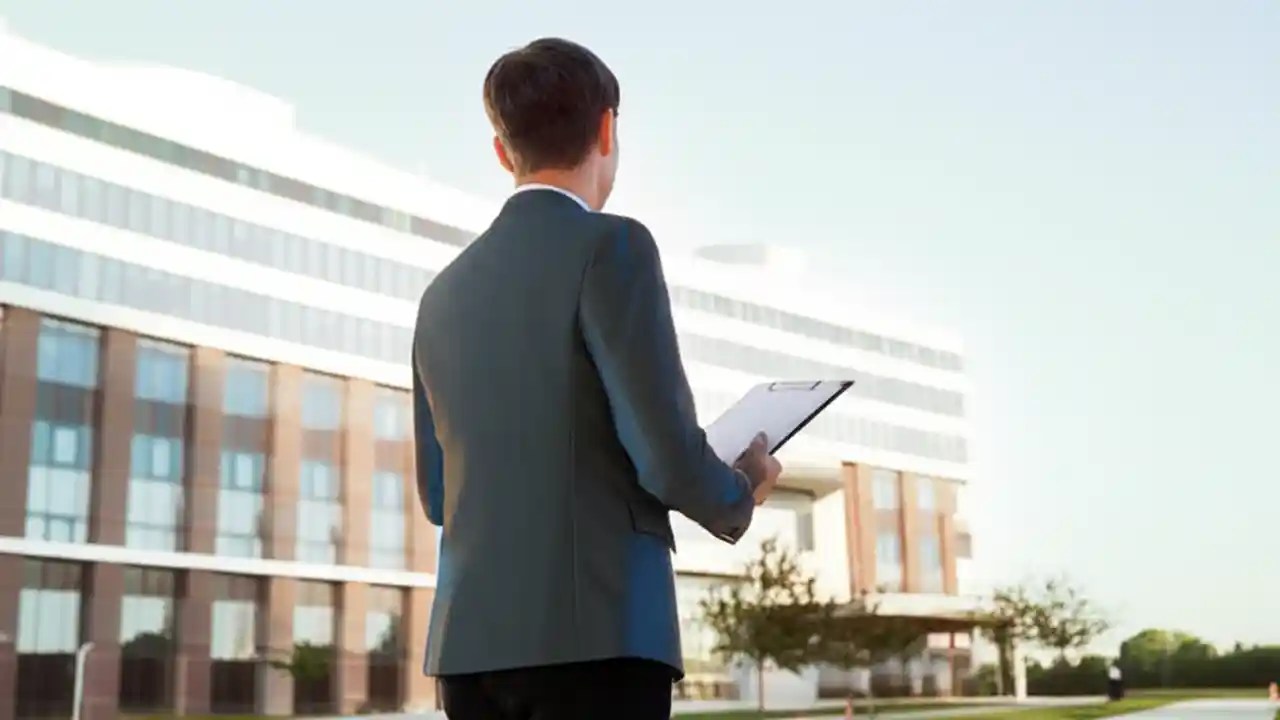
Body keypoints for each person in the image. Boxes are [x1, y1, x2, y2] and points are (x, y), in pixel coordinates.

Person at [411, 37, 783, 720]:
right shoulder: (613, 246)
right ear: (608, 128)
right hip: (598, 641)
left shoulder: (441, 295)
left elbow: (439, 494)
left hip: (468, 653)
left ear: (502, 152)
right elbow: (665, 457)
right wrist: (739, 488)